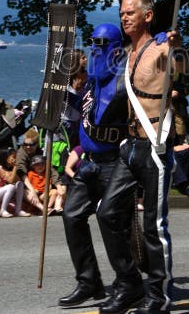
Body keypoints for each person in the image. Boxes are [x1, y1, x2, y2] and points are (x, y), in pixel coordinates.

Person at [97, 0, 180, 314]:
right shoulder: (127, 53)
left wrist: (177, 43)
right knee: (107, 213)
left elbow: (179, 65)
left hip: (155, 148)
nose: (124, 18)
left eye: (131, 12)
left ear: (148, 16)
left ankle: (160, 298)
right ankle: (129, 283)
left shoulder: (162, 48)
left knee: (152, 226)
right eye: (121, 13)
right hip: (129, 148)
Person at [59, 23, 128, 308]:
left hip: (115, 161)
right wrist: (58, 100)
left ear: (114, 46)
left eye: (102, 42)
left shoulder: (125, 78)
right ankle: (89, 282)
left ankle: (128, 282)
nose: (96, 48)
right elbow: (80, 114)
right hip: (88, 162)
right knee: (71, 215)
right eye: (93, 42)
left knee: (111, 222)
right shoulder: (91, 82)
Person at [13, 128, 63, 214]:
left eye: (31, 144)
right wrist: (32, 190)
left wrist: (58, 186)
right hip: (24, 183)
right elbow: (21, 171)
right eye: (25, 144)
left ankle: (51, 207)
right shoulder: (22, 152)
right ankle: (44, 209)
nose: (27, 147)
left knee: (57, 190)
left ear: (37, 144)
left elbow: (51, 170)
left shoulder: (40, 151)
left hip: (41, 184)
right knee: (25, 191)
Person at [0, 149, 30, 218]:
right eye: (13, 157)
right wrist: (15, 166)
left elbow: (17, 180)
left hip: (1, 190)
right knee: (10, 186)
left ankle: (18, 210)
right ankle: (3, 210)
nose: (15, 159)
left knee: (20, 184)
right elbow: (11, 181)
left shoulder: (8, 169)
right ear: (6, 158)